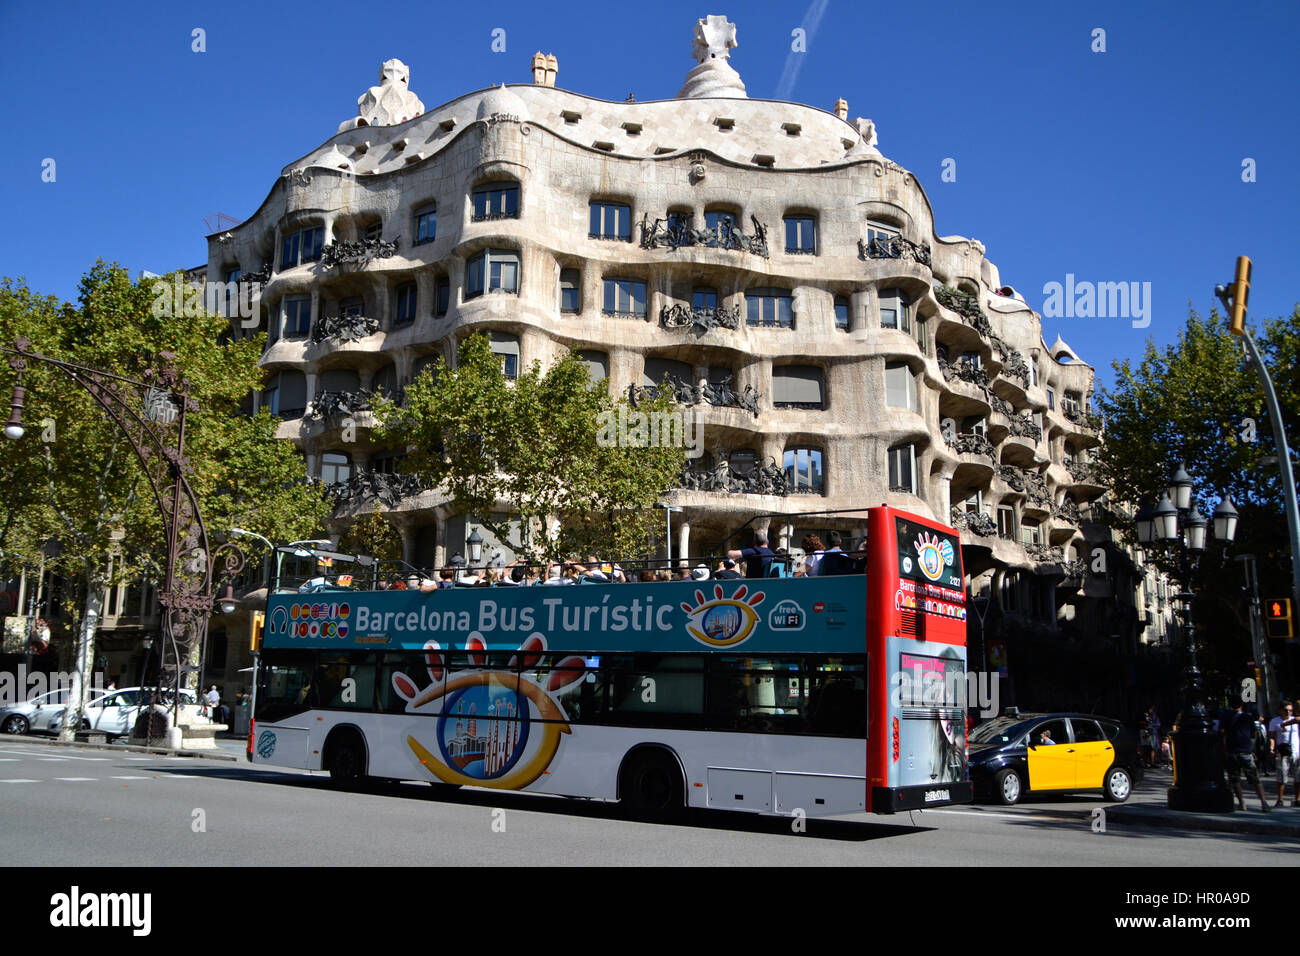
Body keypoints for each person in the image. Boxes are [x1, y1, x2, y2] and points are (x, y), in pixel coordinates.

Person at [1221, 697, 1271, 812]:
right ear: (1242, 705)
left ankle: (1242, 803)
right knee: (1255, 779)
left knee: (1235, 779)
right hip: (1245, 751)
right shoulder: (1247, 717)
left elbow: (1222, 732)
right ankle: (1264, 803)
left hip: (1231, 751)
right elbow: (1253, 734)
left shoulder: (1225, 716)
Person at [1268, 700, 1300, 808]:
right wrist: (1271, 749)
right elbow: (1272, 737)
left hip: (1296, 752)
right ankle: (1280, 799)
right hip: (1282, 752)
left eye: (1291, 710)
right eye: (1286, 710)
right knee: (1281, 777)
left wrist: (1286, 723)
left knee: (1298, 777)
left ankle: (1298, 799)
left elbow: (1297, 719)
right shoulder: (1274, 721)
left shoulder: (1295, 719)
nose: (1289, 712)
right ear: (1280, 710)